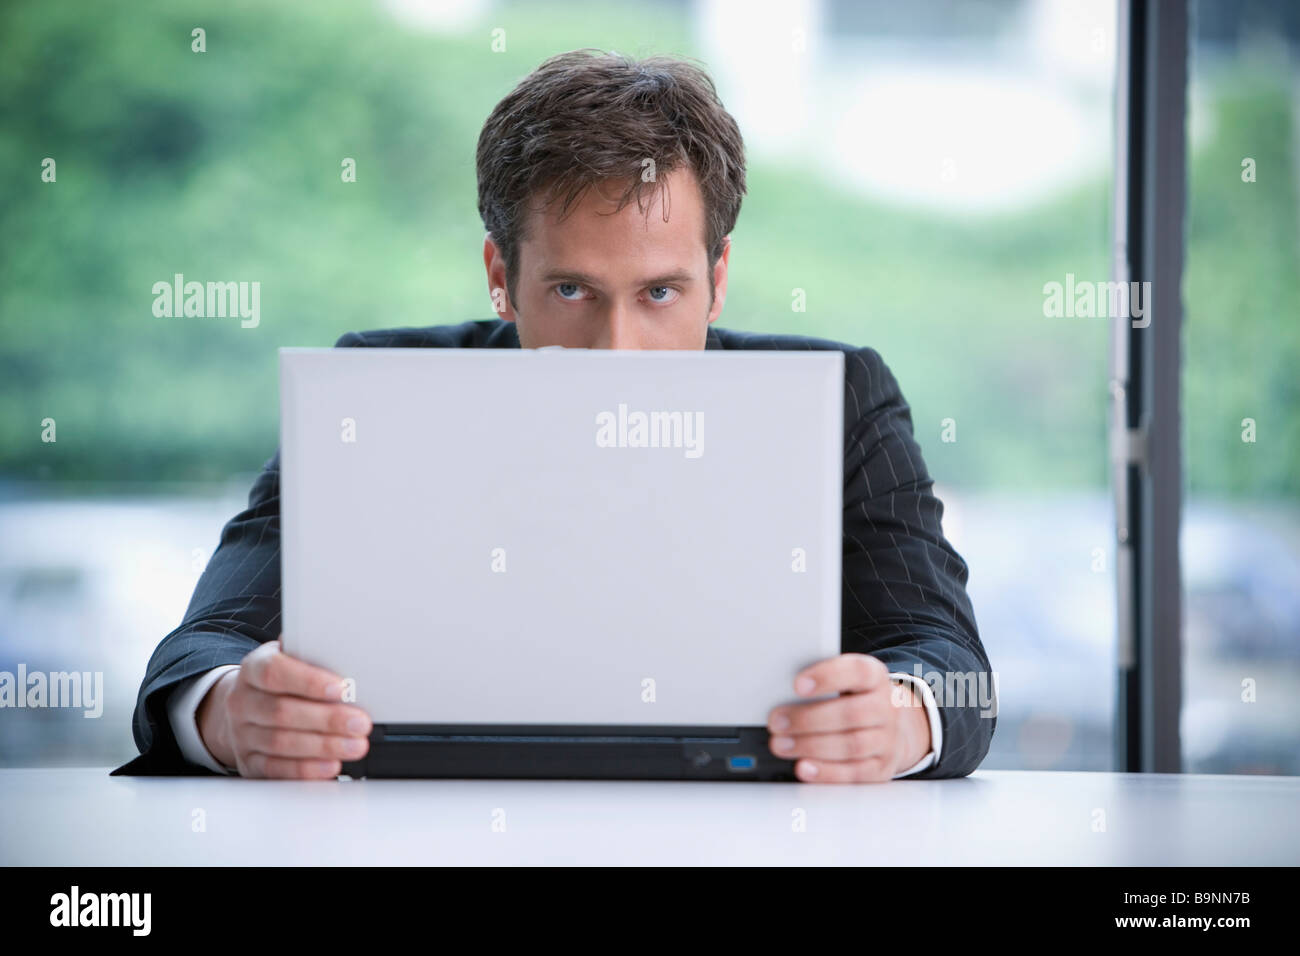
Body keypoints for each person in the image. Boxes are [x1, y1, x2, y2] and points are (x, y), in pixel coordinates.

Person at [119, 50, 996, 783]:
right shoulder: (374, 393)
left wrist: (902, 719)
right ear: (500, 273)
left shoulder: (841, 398)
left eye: (661, 292)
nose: (615, 352)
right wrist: (230, 713)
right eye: (572, 289)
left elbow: (951, 667)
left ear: (718, 278)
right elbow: (199, 649)